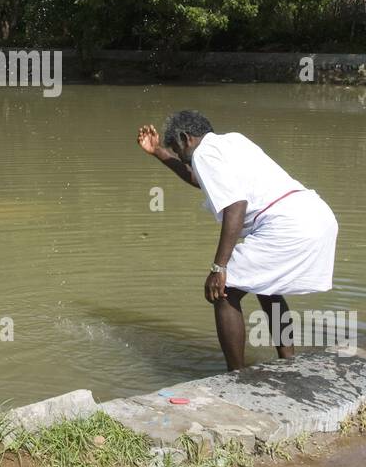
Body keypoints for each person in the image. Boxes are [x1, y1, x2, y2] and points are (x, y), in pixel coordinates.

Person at [138, 110, 338, 369]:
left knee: (223, 291)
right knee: (266, 287)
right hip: (316, 215)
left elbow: (236, 205)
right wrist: (158, 152)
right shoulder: (234, 141)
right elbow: (196, 179)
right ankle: (289, 362)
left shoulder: (204, 154)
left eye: (175, 148)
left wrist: (218, 268)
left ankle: (236, 376)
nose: (178, 155)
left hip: (288, 225)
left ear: (186, 137)